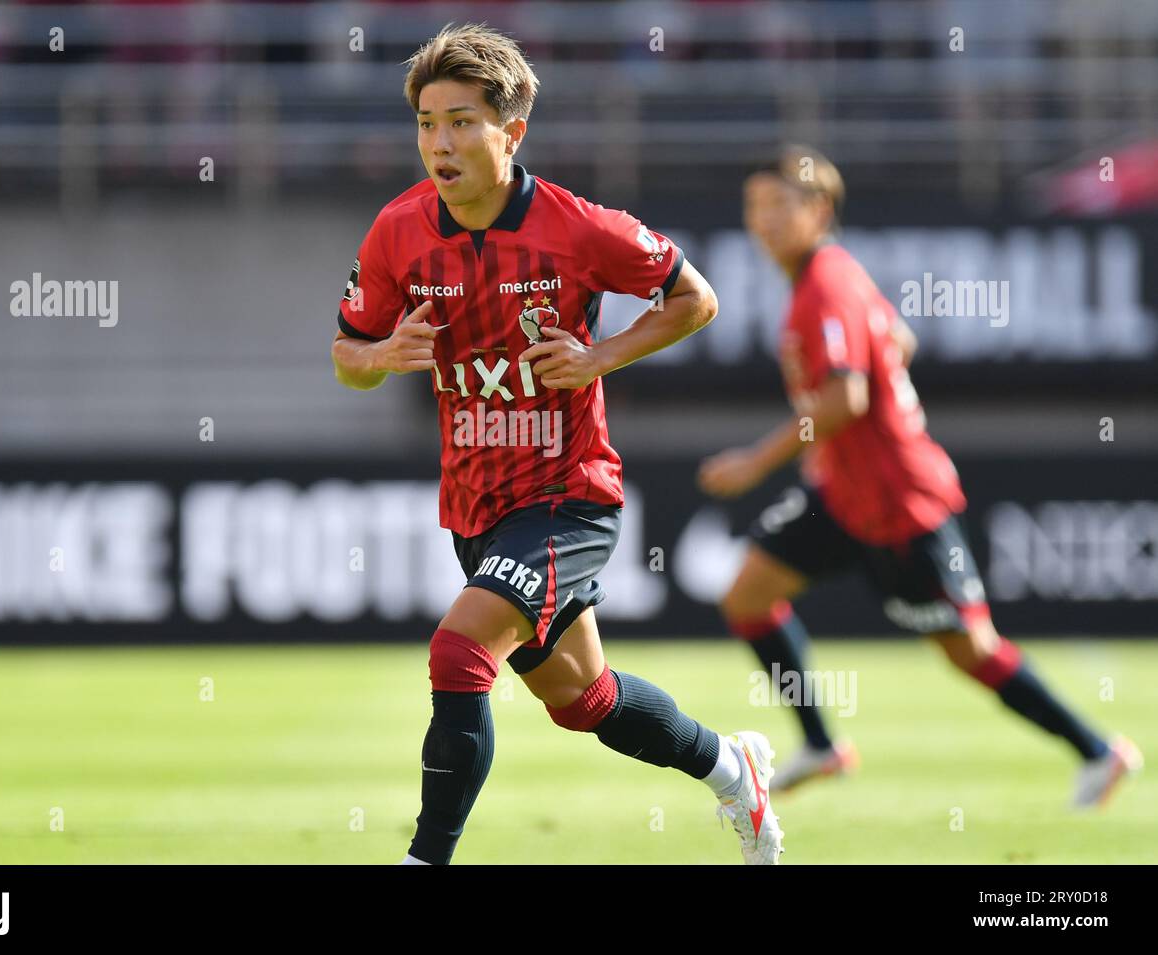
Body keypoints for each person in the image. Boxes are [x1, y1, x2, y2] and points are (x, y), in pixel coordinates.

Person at [331, 23, 784, 864]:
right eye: (427, 123)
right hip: (476, 508)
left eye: (462, 121)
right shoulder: (397, 231)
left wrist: (599, 357)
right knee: (585, 700)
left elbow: (695, 299)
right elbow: (346, 356)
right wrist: (382, 357)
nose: (441, 142)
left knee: (459, 650)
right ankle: (734, 768)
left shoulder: (578, 228)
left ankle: (424, 857)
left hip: (567, 497)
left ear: (512, 130)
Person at [698, 145, 1142, 805]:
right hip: (844, 495)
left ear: (819, 210)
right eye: (753, 207)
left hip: (899, 501)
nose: (762, 221)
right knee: (748, 597)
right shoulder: (836, 274)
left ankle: (1100, 750)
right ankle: (822, 744)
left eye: (778, 206)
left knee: (972, 650)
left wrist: (754, 461)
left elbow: (845, 399)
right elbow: (898, 340)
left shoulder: (824, 285)